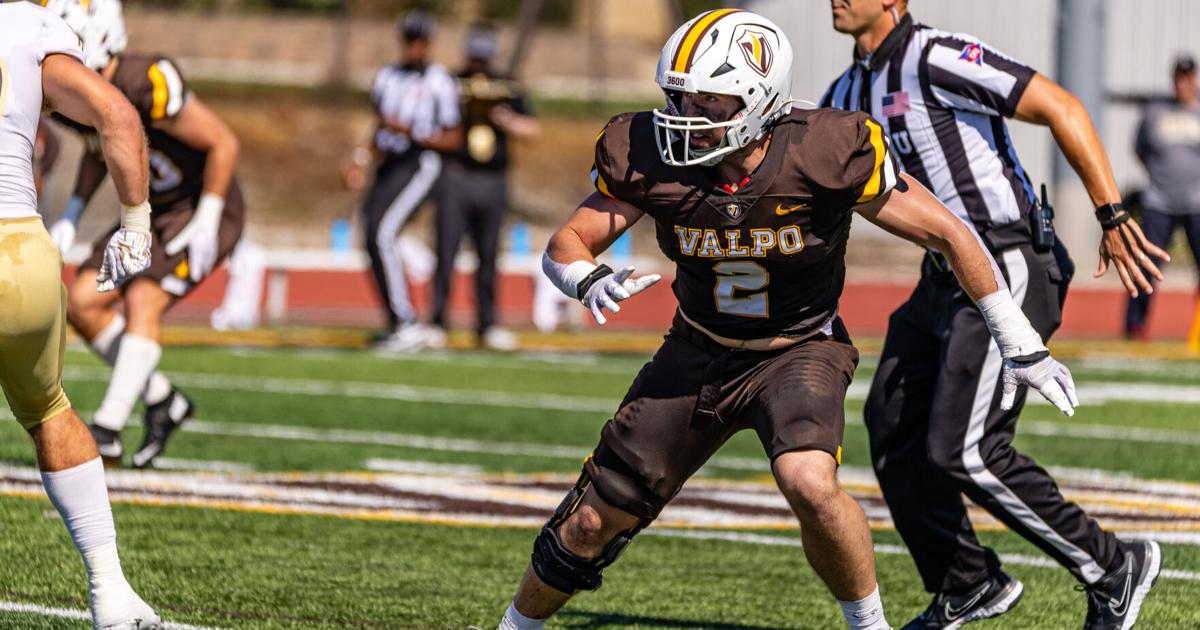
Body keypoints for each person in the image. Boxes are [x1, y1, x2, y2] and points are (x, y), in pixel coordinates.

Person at [491, 10, 1079, 630]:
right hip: (696, 349)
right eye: (679, 95)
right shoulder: (650, 153)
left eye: (709, 100)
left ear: (759, 101)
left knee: (809, 481)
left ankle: (869, 626)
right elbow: (567, 242)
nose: (686, 114)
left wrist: (1019, 341)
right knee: (590, 520)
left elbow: (949, 233)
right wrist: (584, 277)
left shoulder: (826, 149)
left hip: (798, 349)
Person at [823, 1, 1168, 627]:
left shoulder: (935, 55)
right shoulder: (845, 90)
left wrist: (1112, 215)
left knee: (968, 446)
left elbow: (1062, 105)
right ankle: (968, 582)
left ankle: (1112, 564)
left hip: (1007, 260)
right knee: (892, 423)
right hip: (940, 278)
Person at [1, 2, 159, 627]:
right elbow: (116, 113)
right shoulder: (24, 23)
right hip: (22, 252)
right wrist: (137, 226)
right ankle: (111, 589)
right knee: (48, 409)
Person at [44, 0, 244, 469]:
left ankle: (108, 429)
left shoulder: (144, 80)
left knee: (144, 299)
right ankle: (163, 399)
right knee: (83, 303)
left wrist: (210, 217)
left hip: (199, 204)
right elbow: (100, 152)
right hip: (150, 211)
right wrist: (71, 213)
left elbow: (223, 143)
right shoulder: (79, 95)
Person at [344, 10, 463, 352]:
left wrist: (411, 131)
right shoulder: (387, 77)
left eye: (418, 41)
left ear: (428, 44)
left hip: (420, 163)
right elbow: (379, 128)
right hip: (390, 163)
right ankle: (398, 320)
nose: (412, 48)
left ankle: (407, 321)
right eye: (408, 40)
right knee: (370, 234)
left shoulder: (440, 81)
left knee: (383, 233)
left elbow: (454, 137)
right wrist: (361, 159)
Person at [431, 22, 539, 351]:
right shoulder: (449, 83)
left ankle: (487, 324)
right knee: (445, 252)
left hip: (493, 179)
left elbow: (532, 129)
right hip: (456, 175)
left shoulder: (507, 86)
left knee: (489, 255)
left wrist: (505, 119)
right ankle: (436, 322)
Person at [1126, 54, 1200, 339]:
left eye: (1188, 78)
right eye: (1178, 78)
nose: (1183, 84)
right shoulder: (1155, 112)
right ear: (1173, 80)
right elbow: (1139, 149)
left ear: (1194, 80)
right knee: (1146, 267)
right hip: (1159, 202)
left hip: (1196, 203)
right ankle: (1135, 326)